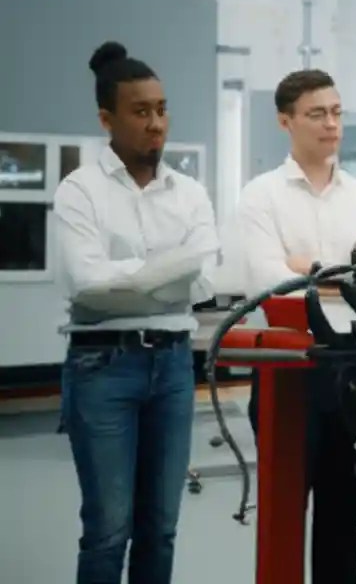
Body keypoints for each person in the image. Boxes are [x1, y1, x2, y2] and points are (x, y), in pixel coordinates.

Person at [55, 41, 220, 583]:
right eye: (141, 111)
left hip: (173, 369)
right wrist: (165, 273)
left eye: (162, 108)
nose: (157, 123)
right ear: (107, 118)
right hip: (103, 369)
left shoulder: (190, 193)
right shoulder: (80, 190)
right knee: (108, 530)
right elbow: (87, 283)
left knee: (160, 527)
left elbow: (204, 281)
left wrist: (130, 277)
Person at [236, 69, 356, 584]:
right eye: (317, 113)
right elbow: (267, 282)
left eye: (337, 112)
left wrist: (309, 266)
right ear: (286, 121)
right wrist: (344, 265)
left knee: (343, 520)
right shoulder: (261, 196)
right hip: (286, 376)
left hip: (352, 376)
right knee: (283, 514)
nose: (331, 124)